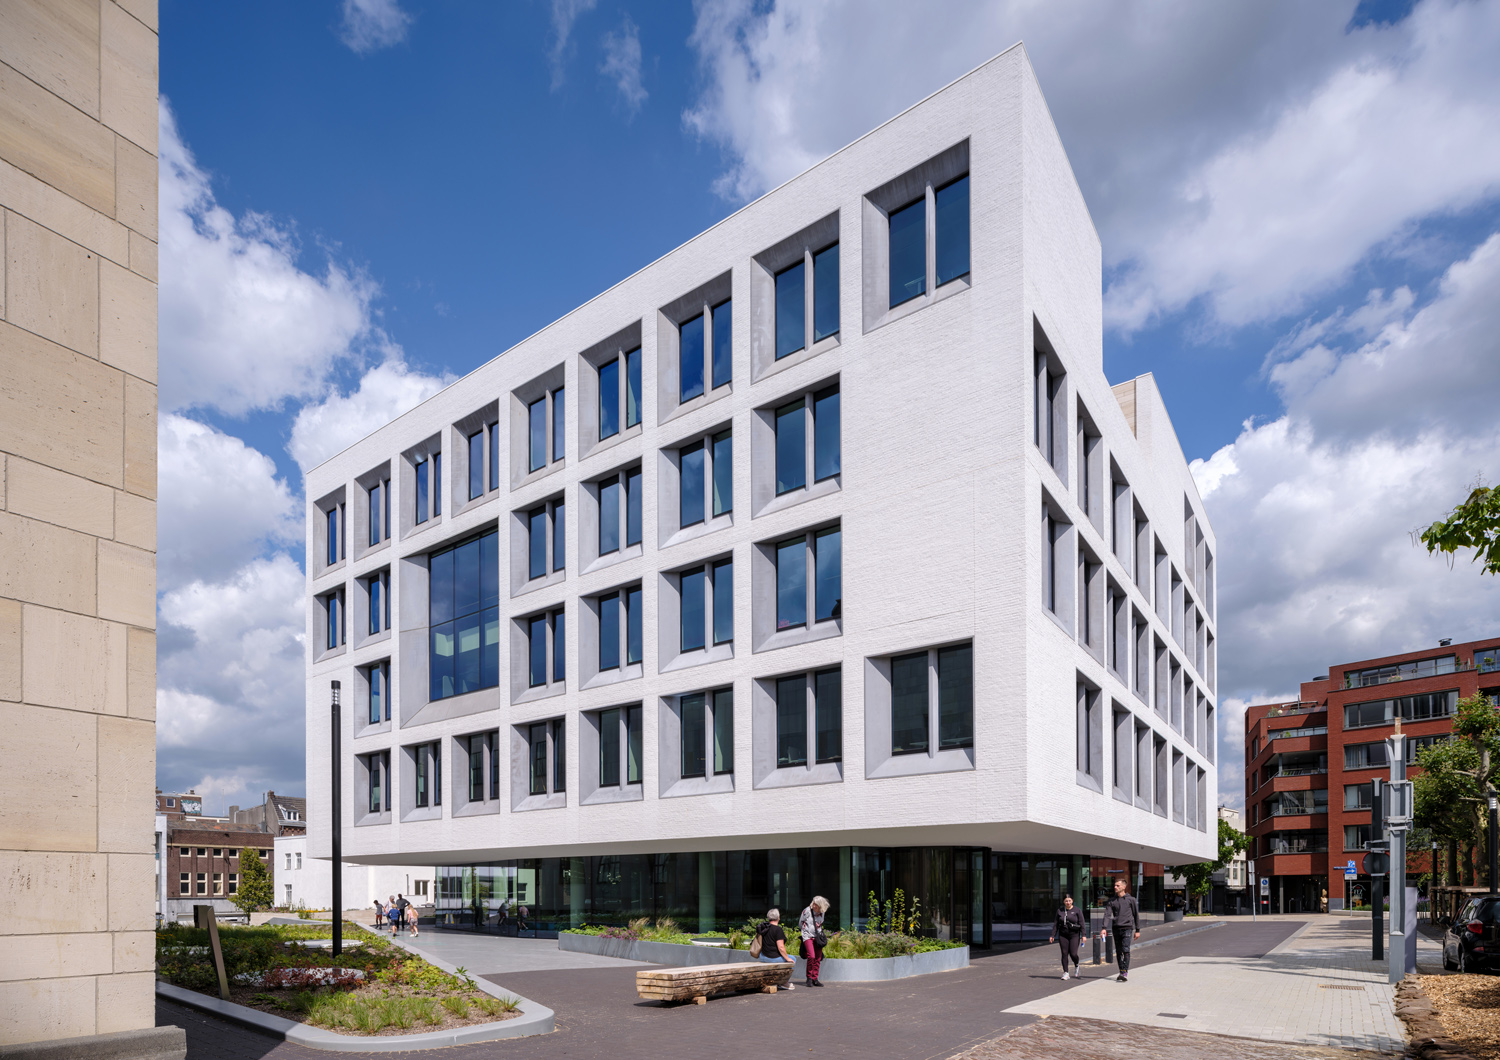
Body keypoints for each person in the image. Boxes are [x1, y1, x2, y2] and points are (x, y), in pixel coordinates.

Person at [1100, 879, 1141, 982]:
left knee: (1125, 949)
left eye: (1117, 885)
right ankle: (1121, 971)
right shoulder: (1112, 901)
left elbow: (1136, 915)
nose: (1115, 887)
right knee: (1118, 951)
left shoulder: (1131, 899)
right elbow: (1107, 915)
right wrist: (1104, 928)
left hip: (1127, 928)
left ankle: (1124, 972)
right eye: (1114, 885)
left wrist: (1137, 930)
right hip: (1116, 928)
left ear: (1123, 887)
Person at [755, 908, 796, 990]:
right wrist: (787, 958)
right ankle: (784, 982)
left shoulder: (764, 927)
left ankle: (778, 980)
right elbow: (781, 947)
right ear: (778, 917)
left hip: (762, 956)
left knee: (786, 958)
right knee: (793, 959)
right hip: (772, 958)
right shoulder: (778, 930)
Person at [1049, 894, 1086, 980]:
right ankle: (1066, 973)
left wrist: (1083, 935)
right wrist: (1052, 935)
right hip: (1063, 935)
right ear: (1063, 902)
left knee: (1073, 953)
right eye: (1066, 901)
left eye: (1069, 901)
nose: (1068, 902)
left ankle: (1077, 965)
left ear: (1072, 900)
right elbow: (1056, 924)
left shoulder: (1077, 910)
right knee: (1064, 953)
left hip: (1074, 935)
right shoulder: (1060, 911)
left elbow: (1082, 923)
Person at [798, 897, 829, 987]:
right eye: (813, 903)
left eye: (816, 904)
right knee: (811, 956)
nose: (813, 905)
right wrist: (805, 931)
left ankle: (815, 978)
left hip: (818, 937)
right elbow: (800, 923)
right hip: (807, 936)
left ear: (820, 906)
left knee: (818, 958)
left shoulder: (822, 912)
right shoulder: (807, 911)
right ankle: (809, 978)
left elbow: (820, 924)